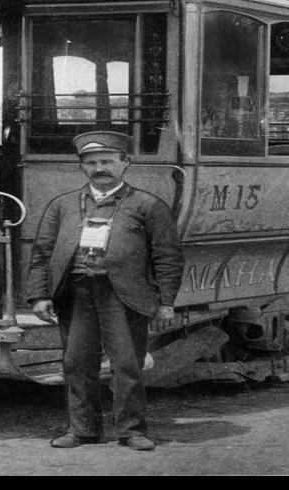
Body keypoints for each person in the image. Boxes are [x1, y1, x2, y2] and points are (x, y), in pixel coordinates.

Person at [26, 131, 184, 452]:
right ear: (82, 167)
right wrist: (40, 295)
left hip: (122, 296)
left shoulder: (148, 205)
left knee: (127, 364)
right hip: (77, 293)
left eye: (108, 161)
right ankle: (82, 429)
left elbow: (167, 257)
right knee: (76, 364)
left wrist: (166, 302)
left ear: (125, 164)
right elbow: (42, 253)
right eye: (92, 163)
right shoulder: (62, 205)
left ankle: (131, 430)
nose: (100, 168)